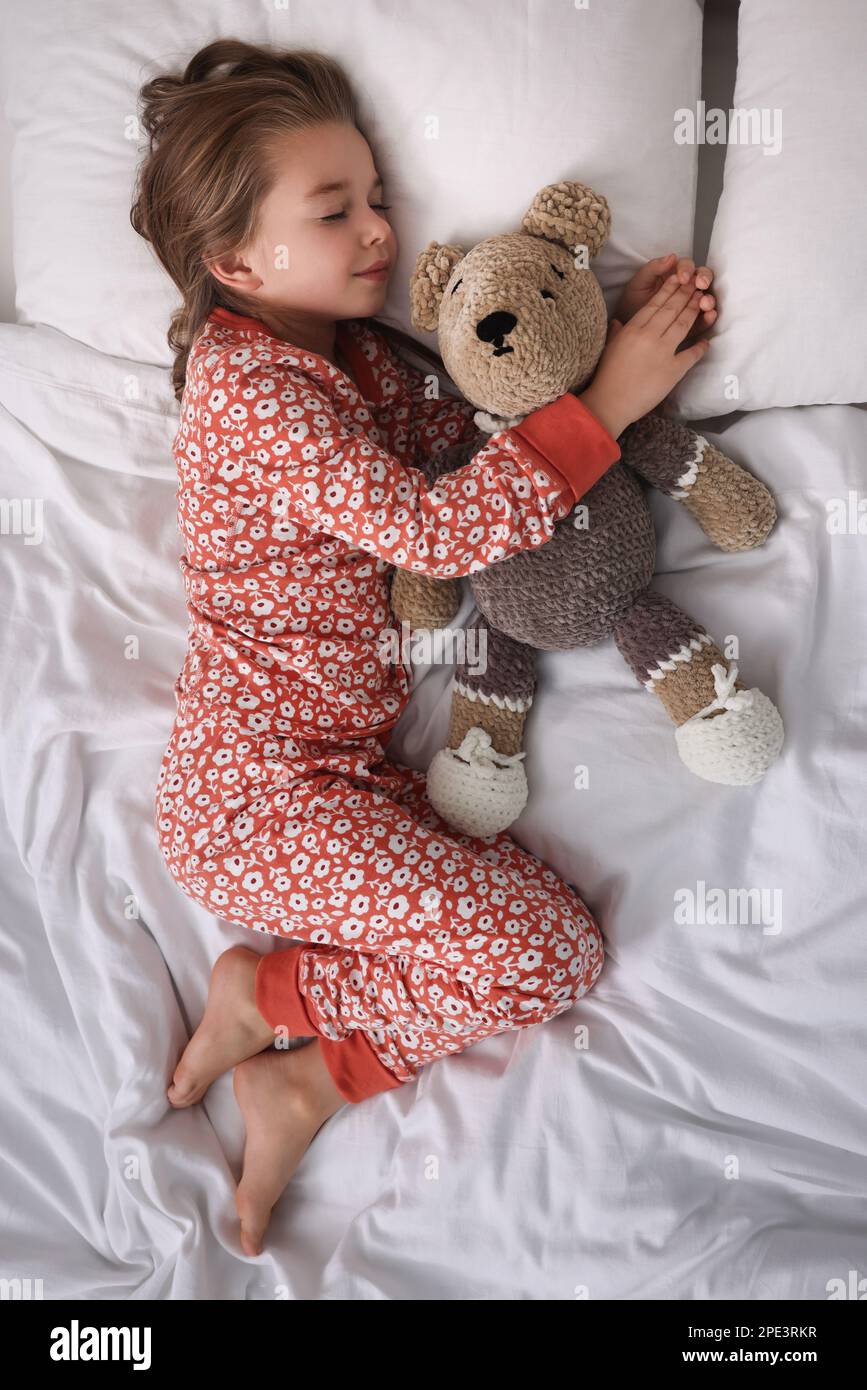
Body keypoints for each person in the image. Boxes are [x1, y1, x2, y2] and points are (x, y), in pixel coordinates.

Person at [132, 38, 717, 1257]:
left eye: (379, 199)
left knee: (541, 949)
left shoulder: (344, 358)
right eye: (335, 210)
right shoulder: (247, 393)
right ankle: (270, 1012)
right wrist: (602, 403)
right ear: (235, 260)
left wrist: (587, 338)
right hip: (258, 800)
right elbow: (435, 525)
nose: (379, 232)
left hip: (337, 776)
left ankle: (298, 1068)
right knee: (544, 951)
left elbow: (468, 422)